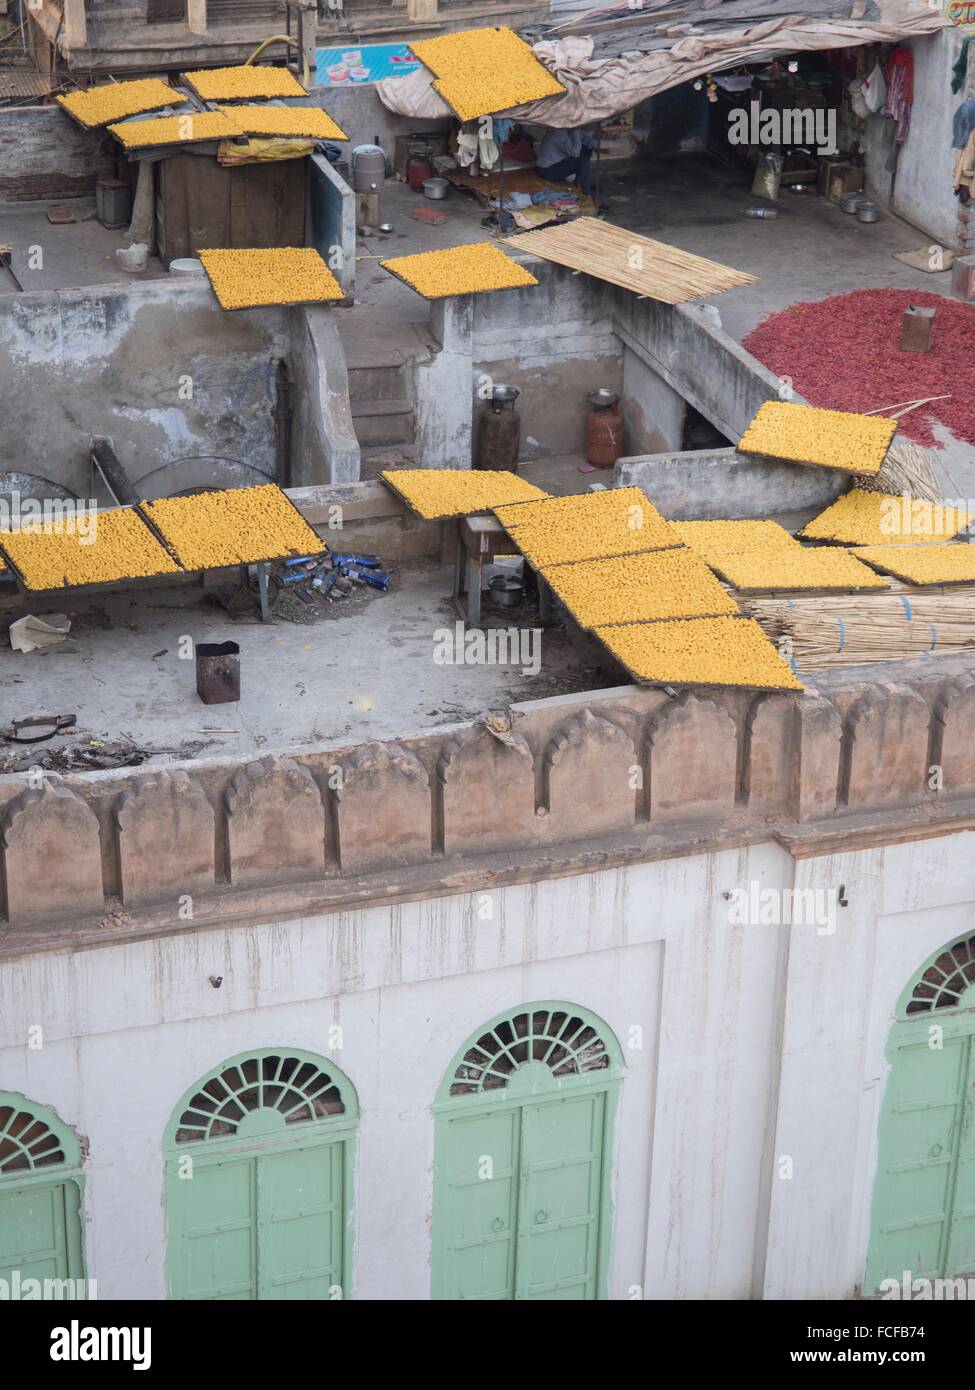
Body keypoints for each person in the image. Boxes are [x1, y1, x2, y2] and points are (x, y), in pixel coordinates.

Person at [536, 125, 596, 195]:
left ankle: (580, 182)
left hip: (557, 164)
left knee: (587, 148)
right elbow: (575, 153)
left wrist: (596, 146)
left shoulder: (569, 128)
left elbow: (584, 137)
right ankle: (587, 193)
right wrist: (575, 130)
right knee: (582, 161)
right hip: (547, 170)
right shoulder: (557, 132)